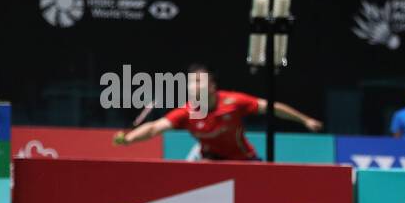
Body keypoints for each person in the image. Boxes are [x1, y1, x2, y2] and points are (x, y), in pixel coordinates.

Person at [113, 65, 322, 159]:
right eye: (190, 83)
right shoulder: (187, 112)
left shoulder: (234, 102)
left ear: (212, 86)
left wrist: (305, 120)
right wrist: (130, 139)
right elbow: (154, 128)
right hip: (210, 161)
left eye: (198, 82)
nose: (193, 87)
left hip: (244, 159)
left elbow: (273, 107)